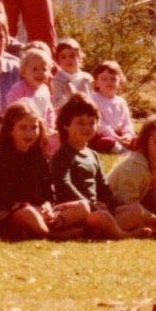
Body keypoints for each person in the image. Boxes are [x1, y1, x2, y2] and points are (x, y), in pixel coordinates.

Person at [0, 103, 88, 241]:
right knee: (27, 213)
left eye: (34, 127)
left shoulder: (38, 157)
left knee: (82, 206)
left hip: (40, 210)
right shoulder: (2, 158)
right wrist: (23, 205)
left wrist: (47, 206)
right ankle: (53, 235)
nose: (29, 133)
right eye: (23, 128)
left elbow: (48, 191)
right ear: (10, 130)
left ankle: (45, 227)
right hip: (14, 212)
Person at [50, 94, 128, 239]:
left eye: (91, 123)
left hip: (95, 209)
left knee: (133, 210)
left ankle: (92, 230)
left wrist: (109, 204)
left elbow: (103, 186)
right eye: (80, 123)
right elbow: (64, 185)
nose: (87, 127)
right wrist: (90, 205)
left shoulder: (93, 155)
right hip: (75, 209)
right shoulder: (62, 154)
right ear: (66, 125)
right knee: (99, 216)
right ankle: (123, 234)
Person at [88, 60, 135, 153]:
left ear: (120, 82)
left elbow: (127, 121)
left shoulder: (121, 101)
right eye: (104, 79)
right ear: (96, 82)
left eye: (113, 79)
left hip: (119, 133)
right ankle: (123, 150)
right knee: (107, 142)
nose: (109, 82)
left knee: (138, 139)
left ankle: (132, 146)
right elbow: (98, 123)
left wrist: (127, 135)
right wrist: (115, 137)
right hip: (101, 135)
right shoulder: (93, 99)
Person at [50, 38, 92, 108]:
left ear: (79, 57)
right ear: (58, 61)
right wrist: (67, 97)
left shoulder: (87, 79)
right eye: (63, 57)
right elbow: (54, 105)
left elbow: (94, 100)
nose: (68, 59)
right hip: (67, 116)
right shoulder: (57, 80)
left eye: (72, 56)